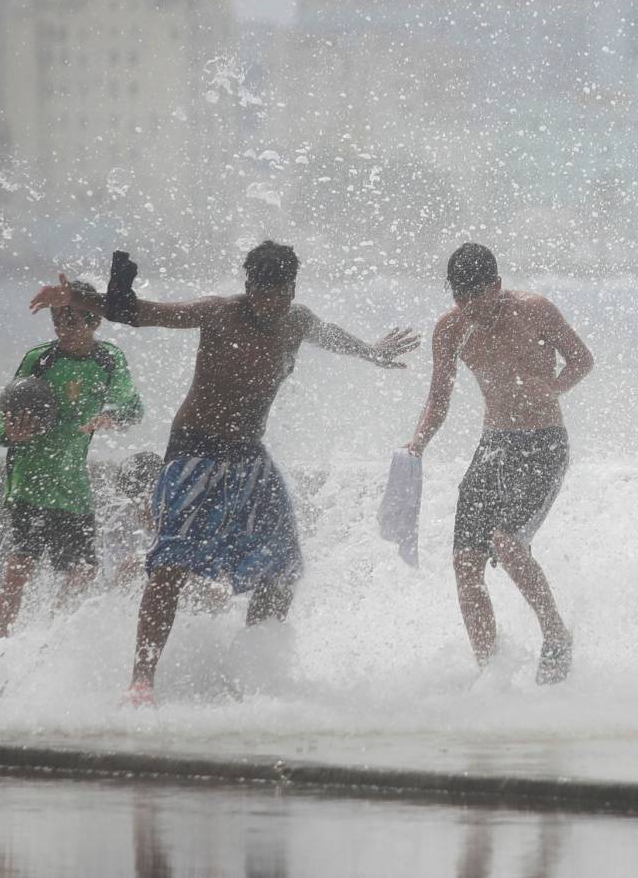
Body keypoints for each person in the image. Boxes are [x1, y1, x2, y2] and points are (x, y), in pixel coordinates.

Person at [30, 241, 420, 704]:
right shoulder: (219, 313)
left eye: (281, 295)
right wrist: (82, 300)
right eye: (263, 294)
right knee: (170, 566)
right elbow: (143, 313)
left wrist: (371, 351)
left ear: (292, 290)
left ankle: (255, 674)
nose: (272, 305)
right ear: (249, 287)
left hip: (248, 456)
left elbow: (331, 334)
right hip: (195, 451)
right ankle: (141, 681)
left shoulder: (297, 320)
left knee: (282, 568)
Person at [406, 243, 594, 684]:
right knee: (466, 563)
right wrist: (417, 443)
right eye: (461, 299)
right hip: (494, 446)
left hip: (543, 443)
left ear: (497, 286)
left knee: (508, 544)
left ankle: (556, 634)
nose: (472, 308)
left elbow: (582, 360)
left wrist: (552, 389)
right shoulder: (451, 329)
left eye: (479, 297)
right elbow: (438, 397)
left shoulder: (535, 310)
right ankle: (491, 675)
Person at [0, 280, 145, 639]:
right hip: (30, 478)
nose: (65, 329)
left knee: (83, 570)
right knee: (20, 565)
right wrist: (9, 433)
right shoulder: (40, 359)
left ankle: (46, 636)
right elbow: (0, 414)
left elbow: (134, 409)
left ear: (95, 322)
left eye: (73, 321)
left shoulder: (108, 360)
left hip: (72, 484)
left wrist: (112, 419)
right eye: (59, 321)